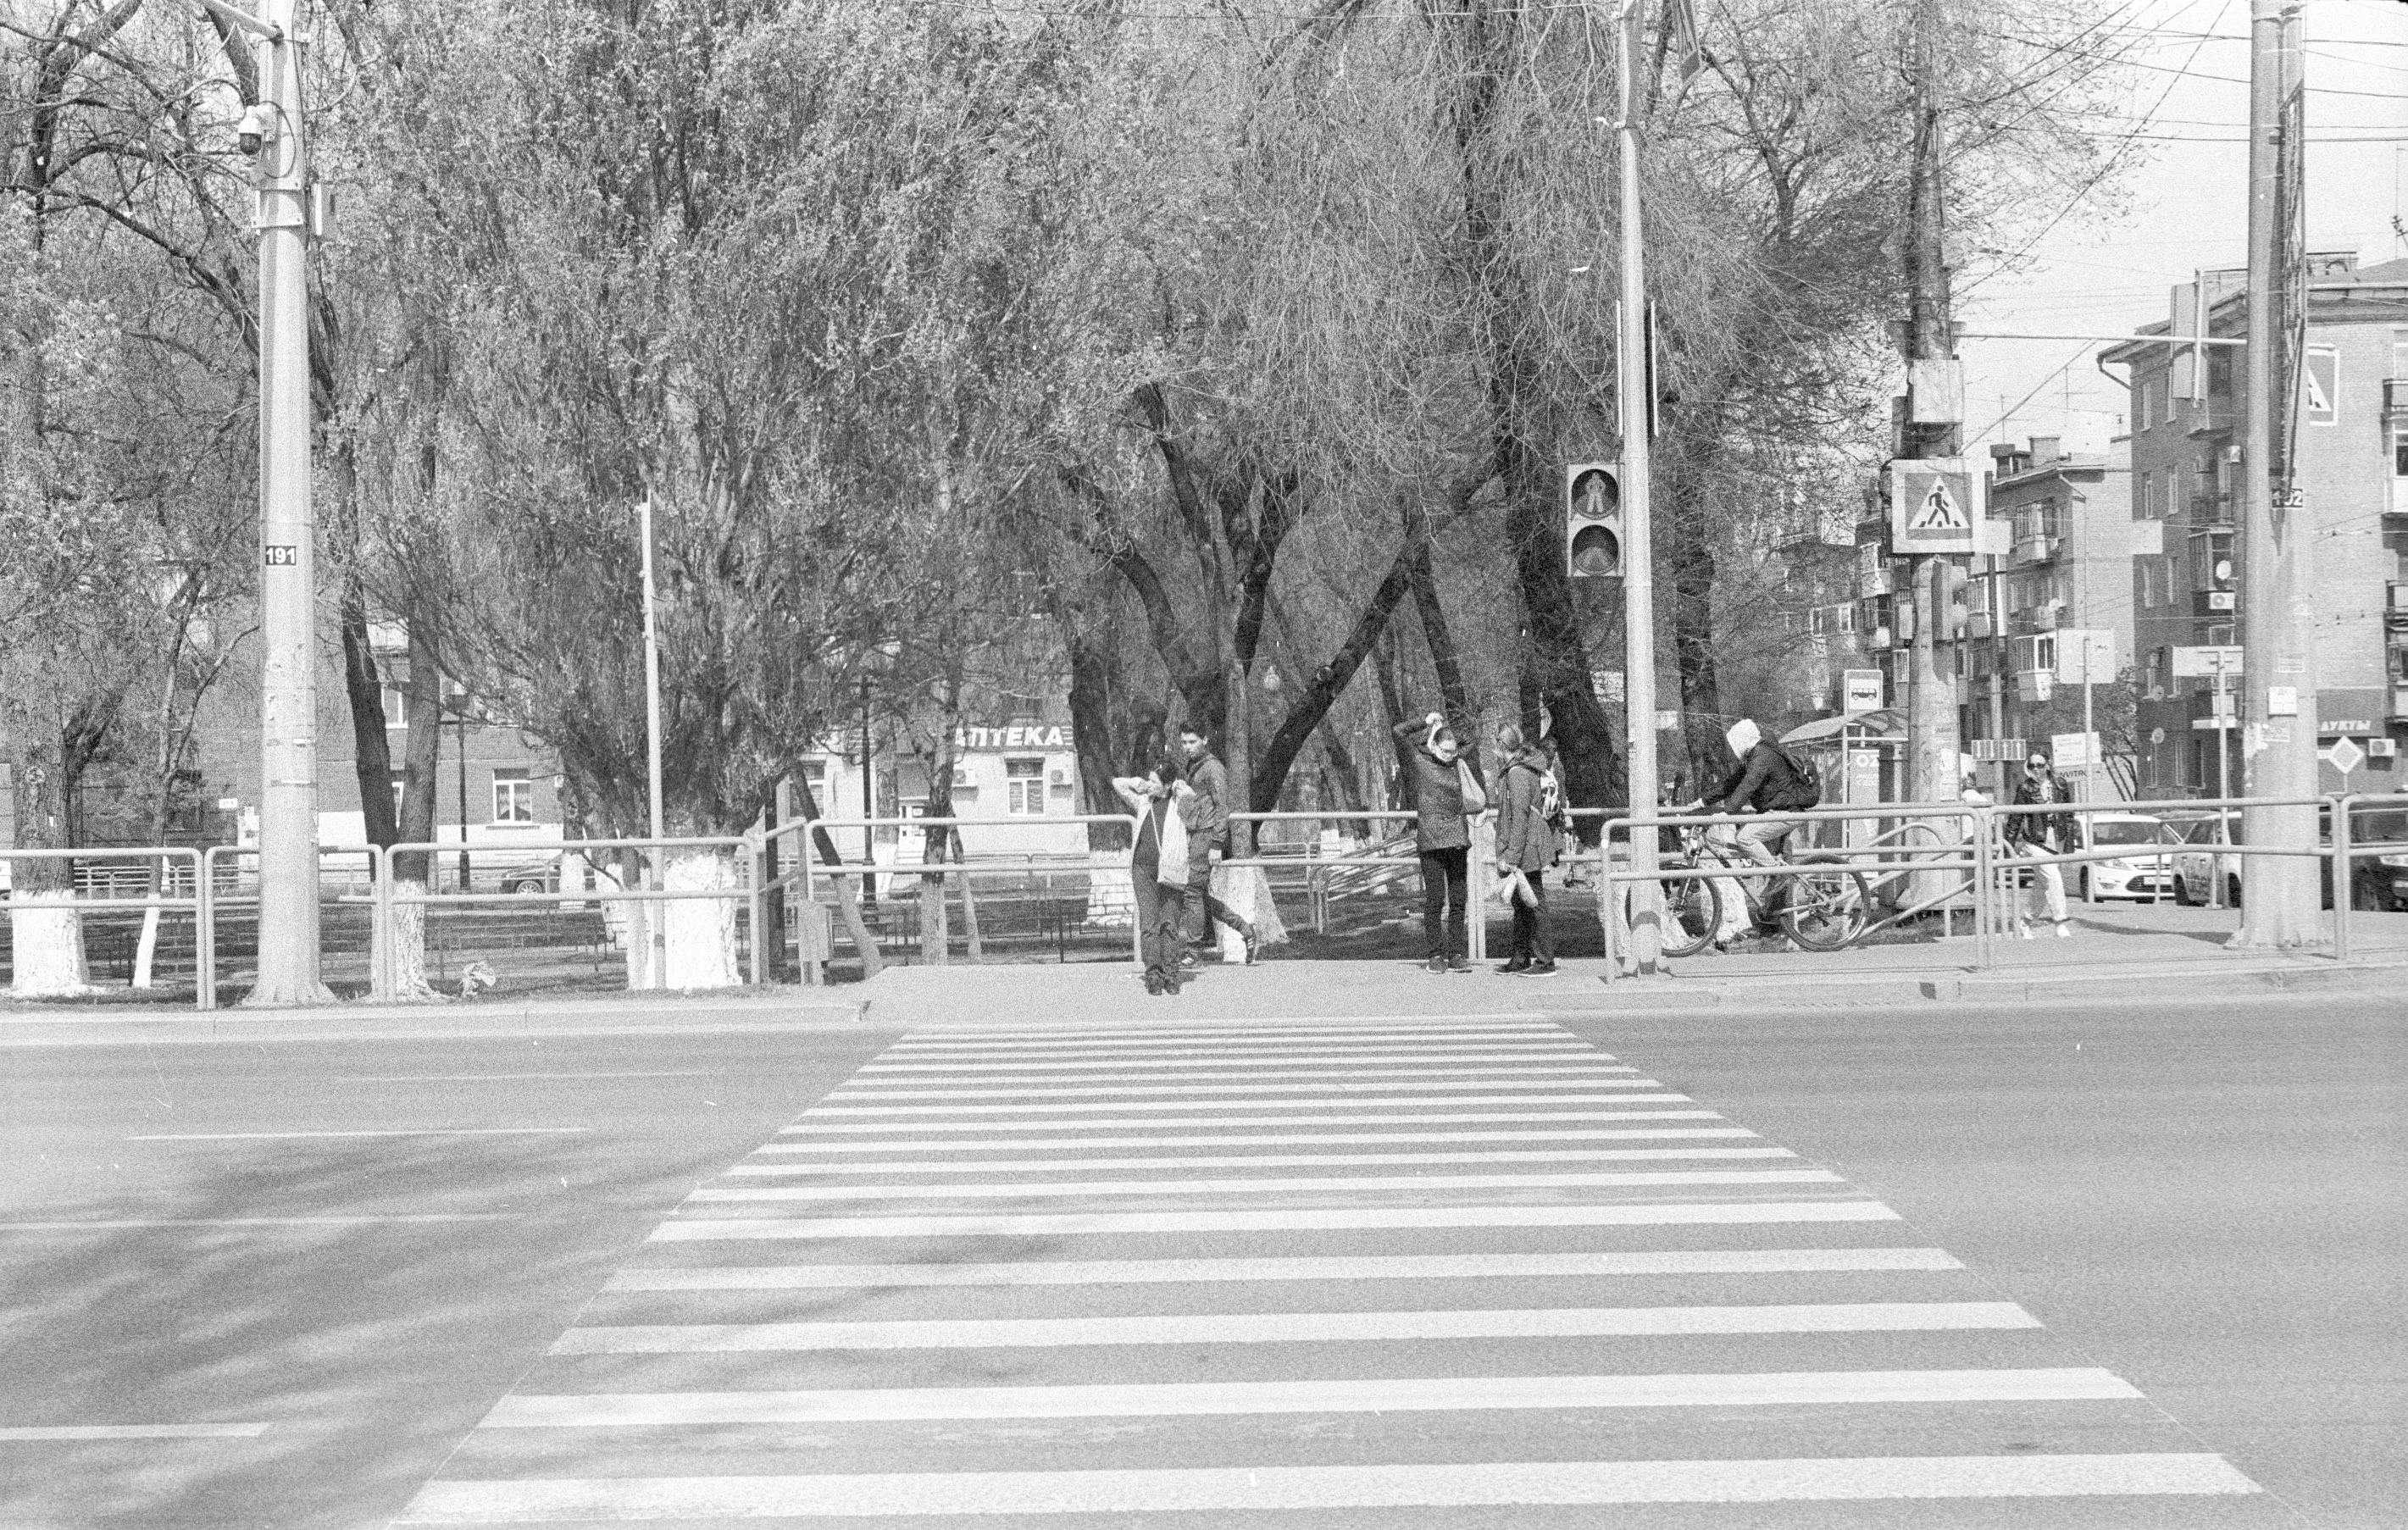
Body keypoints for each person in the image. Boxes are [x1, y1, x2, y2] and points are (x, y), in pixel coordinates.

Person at [1695, 718, 1817, 940]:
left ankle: (1778, 876)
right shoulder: (1757, 756)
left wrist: (1728, 811)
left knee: (1745, 839)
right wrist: (1703, 802)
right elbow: (1732, 784)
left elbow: (1749, 784)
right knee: (1772, 862)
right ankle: (1771, 925)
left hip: (1786, 812)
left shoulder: (1763, 756)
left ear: (1742, 741)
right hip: (1775, 812)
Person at [1391, 709, 1484, 973]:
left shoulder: (1456, 761)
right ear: (1434, 746)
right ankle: (1435, 954)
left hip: (1456, 839)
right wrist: (1426, 722)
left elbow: (1474, 734)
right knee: (1435, 900)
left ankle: (1456, 953)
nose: (1450, 755)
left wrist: (1450, 728)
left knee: (1458, 899)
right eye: (1445, 750)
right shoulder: (1421, 762)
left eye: (1453, 751)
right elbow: (1399, 732)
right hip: (1431, 842)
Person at [1175, 723, 1258, 967]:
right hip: (1196, 834)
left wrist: (1217, 843)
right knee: (1197, 894)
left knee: (1192, 891)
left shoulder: (1213, 768)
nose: (1187, 747)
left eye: (1192, 741)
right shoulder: (1195, 766)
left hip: (1207, 835)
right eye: (1184, 742)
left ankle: (1193, 950)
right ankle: (1245, 930)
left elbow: (1223, 807)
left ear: (1205, 739)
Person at [1111, 759, 1189, 995]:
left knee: (1170, 925)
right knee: (1149, 925)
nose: (1149, 784)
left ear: (1167, 784)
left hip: (1171, 870)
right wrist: (1137, 782)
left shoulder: (1179, 804)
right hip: (1143, 870)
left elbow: (1196, 802)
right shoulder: (1144, 801)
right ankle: (1153, 974)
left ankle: (1171, 974)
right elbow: (1118, 784)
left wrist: (1181, 787)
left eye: (1154, 781)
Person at [1492, 724, 1557, 975]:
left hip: (1527, 846)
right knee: (1522, 903)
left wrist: (1511, 855)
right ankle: (1520, 957)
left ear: (1501, 746)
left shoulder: (1517, 774)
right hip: (1528, 843)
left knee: (1534, 902)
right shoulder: (1521, 769)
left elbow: (1518, 817)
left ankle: (1544, 961)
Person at [2005, 748, 2075, 939]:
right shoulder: (2025, 788)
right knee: (2053, 879)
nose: (2036, 769)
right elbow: (2015, 818)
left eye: (2040, 765)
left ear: (2048, 765)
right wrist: (2006, 847)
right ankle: (2060, 922)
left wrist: (2069, 843)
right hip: (2035, 841)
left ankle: (2025, 922)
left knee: (2042, 886)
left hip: (2056, 838)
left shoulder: (2060, 784)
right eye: (2032, 766)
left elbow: (2069, 815)